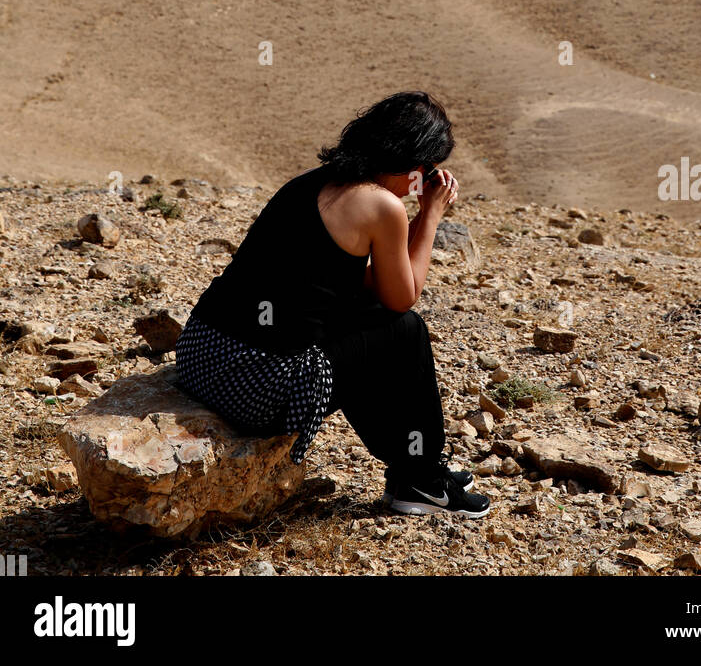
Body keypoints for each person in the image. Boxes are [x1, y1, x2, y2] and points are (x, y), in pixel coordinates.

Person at [174, 91, 490, 518]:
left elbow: (367, 288)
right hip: (253, 388)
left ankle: (415, 468)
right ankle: (421, 481)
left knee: (367, 325)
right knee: (406, 330)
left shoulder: (314, 182)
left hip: (201, 353)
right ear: (414, 166)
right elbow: (402, 297)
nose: (427, 178)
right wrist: (430, 214)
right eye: (427, 169)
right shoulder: (381, 205)